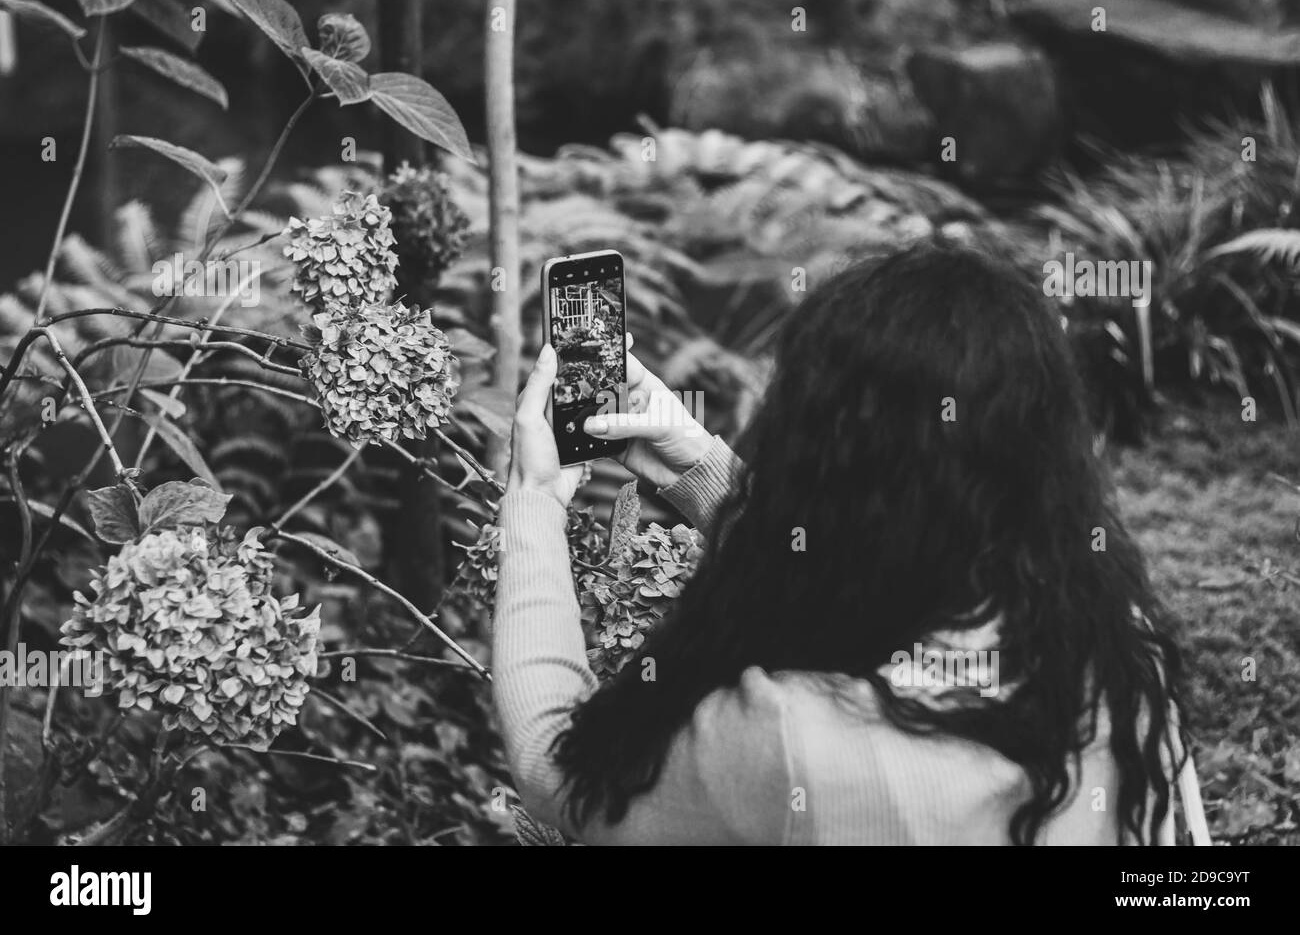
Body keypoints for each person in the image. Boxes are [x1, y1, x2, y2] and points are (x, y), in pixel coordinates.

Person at [493, 242, 1187, 845]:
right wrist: (701, 468)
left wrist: (534, 501)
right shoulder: (1114, 648)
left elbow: (555, 767)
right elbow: (866, 573)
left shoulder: (794, 738)